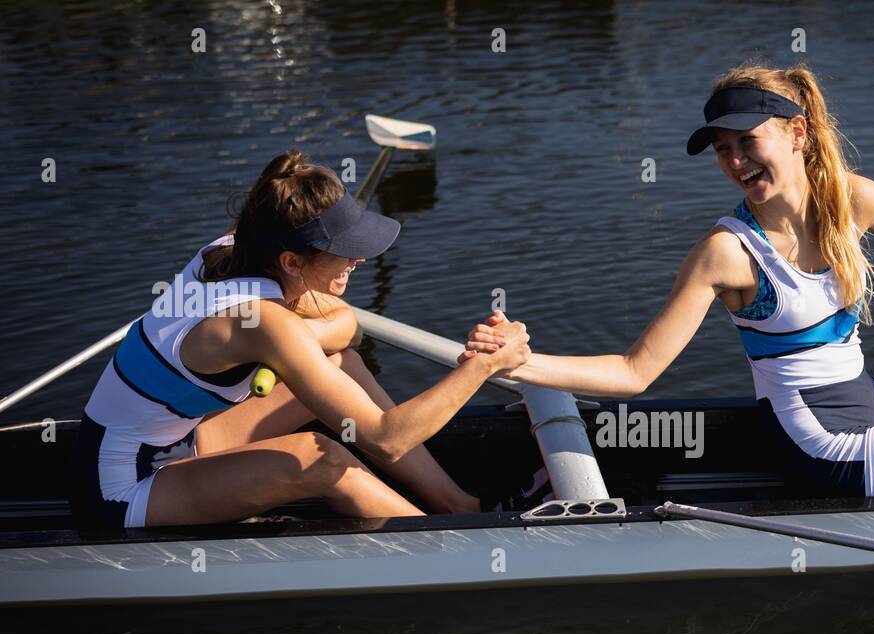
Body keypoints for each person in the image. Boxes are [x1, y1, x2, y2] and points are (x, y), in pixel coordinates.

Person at [462, 64, 874, 498]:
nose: (736, 161)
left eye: (747, 141)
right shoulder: (726, 253)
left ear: (796, 133)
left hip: (873, 400)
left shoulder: (852, 199)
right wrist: (521, 364)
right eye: (722, 150)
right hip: (826, 447)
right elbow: (635, 373)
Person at [70, 150, 530, 529]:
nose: (360, 260)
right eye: (344, 251)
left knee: (339, 364)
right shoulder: (265, 321)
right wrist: (485, 364)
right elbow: (386, 439)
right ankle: (447, 550)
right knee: (322, 458)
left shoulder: (232, 247)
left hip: (177, 438)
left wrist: (305, 340)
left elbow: (346, 324)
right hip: (122, 489)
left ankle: (457, 506)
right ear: (291, 262)